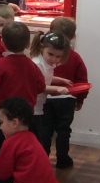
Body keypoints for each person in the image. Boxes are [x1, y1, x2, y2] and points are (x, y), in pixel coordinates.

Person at [0, 22, 52, 155]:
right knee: (25, 149)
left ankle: (0, 173)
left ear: (3, 44)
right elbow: (41, 86)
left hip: (3, 117)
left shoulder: (0, 65)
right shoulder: (32, 66)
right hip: (26, 118)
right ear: (27, 44)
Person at [37, 21, 87, 169]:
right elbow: (82, 81)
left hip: (47, 99)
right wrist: (80, 100)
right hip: (66, 100)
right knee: (63, 130)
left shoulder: (42, 56)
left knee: (45, 130)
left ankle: (42, 159)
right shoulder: (75, 57)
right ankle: (63, 159)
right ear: (73, 37)